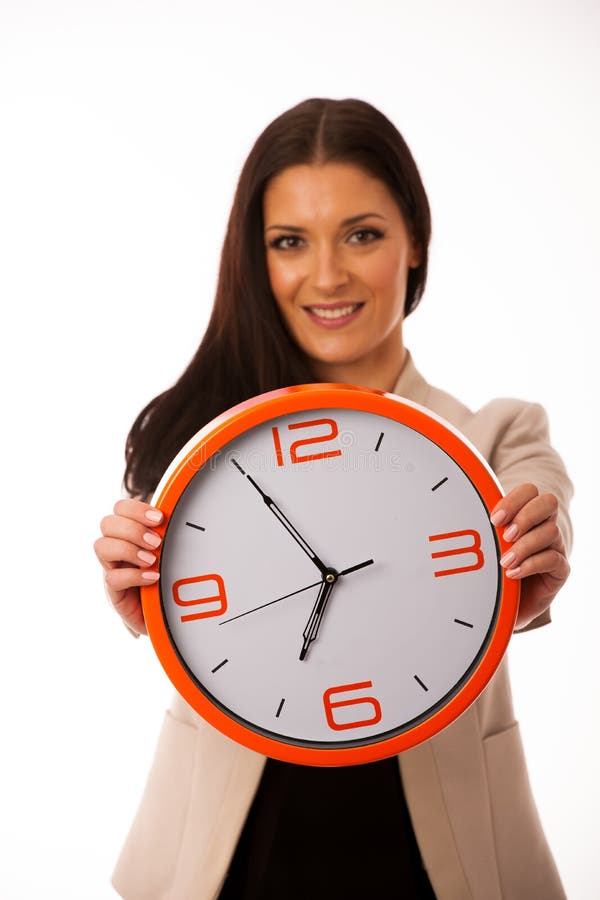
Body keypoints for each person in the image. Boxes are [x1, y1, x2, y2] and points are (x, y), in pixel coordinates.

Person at [95, 98, 573, 899]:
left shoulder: (495, 438)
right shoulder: (201, 446)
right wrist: (141, 595)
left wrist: (538, 550)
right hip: (233, 849)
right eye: (290, 242)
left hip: (434, 852)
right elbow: (196, 627)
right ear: (258, 260)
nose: (327, 275)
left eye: (362, 234)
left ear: (414, 241)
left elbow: (543, 503)